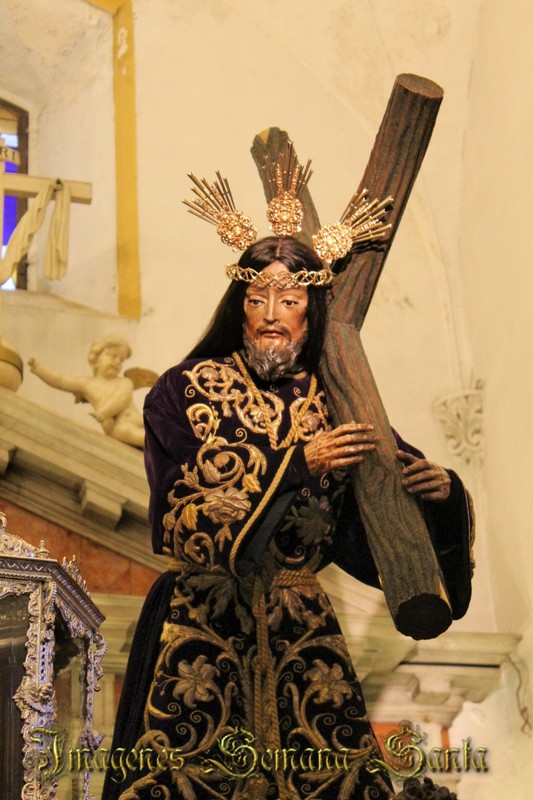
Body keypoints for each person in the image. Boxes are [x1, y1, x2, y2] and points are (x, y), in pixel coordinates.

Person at [102, 237, 473, 800]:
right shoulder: (183, 390)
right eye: (256, 301)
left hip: (303, 629)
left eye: (291, 301)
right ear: (239, 308)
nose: (271, 318)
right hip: (203, 618)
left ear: (313, 311)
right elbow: (186, 512)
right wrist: (299, 463)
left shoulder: (337, 401)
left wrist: (443, 495)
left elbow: (387, 504)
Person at [28, 335, 145, 448]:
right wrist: (39, 369)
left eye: (121, 360)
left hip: (137, 419)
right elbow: (60, 381)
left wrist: (104, 412)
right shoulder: (86, 384)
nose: (117, 362)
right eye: (113, 356)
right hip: (119, 427)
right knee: (125, 431)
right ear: (96, 358)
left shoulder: (125, 382)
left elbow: (121, 399)